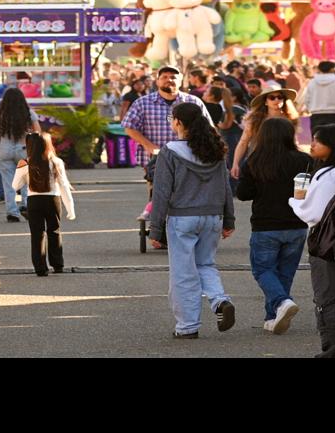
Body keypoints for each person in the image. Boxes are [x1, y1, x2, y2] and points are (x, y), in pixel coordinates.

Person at [147, 101, 236, 339]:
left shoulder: (170, 151)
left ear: (178, 122)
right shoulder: (215, 149)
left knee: (183, 273)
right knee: (205, 264)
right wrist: (229, 219)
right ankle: (219, 300)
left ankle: (187, 326)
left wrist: (155, 229)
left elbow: (161, 192)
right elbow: (225, 186)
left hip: (182, 218)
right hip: (212, 216)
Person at [288, 122, 335, 358]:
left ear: (333, 145)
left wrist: (295, 201)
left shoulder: (330, 175)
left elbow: (313, 213)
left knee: (328, 297)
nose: (313, 144)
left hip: (326, 243)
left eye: (318, 141)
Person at [234, 116, 309, 335]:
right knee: (285, 272)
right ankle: (273, 316)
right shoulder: (304, 160)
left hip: (266, 225)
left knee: (263, 269)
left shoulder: (254, 161)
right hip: (297, 223)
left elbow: (243, 193)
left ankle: (281, 302)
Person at [124, 66, 206, 216]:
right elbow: (129, 127)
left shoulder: (193, 102)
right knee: (159, 198)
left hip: (188, 160)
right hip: (155, 161)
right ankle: (158, 225)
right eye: (164, 77)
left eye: (173, 77)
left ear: (181, 81)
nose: (169, 80)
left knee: (186, 197)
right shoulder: (143, 103)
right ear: (157, 81)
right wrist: (150, 146)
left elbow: (208, 129)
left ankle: (183, 223)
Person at [13, 131, 76, 276]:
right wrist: (70, 208)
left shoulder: (25, 163)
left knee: (37, 234)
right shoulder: (56, 162)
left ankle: (40, 268)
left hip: (34, 200)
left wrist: (24, 177)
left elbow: (15, 185)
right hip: (53, 199)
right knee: (54, 231)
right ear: (48, 145)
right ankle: (58, 265)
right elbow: (64, 186)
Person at [0, 87, 38, 222]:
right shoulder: (28, 113)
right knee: (26, 180)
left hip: (4, 150)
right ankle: (26, 205)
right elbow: (37, 132)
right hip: (24, 149)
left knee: (8, 183)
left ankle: (12, 212)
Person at [300, 60, 335, 129]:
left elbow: (307, 100)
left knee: (317, 135)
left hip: (316, 115)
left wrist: (312, 109)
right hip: (334, 115)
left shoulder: (311, 83)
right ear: (331, 69)